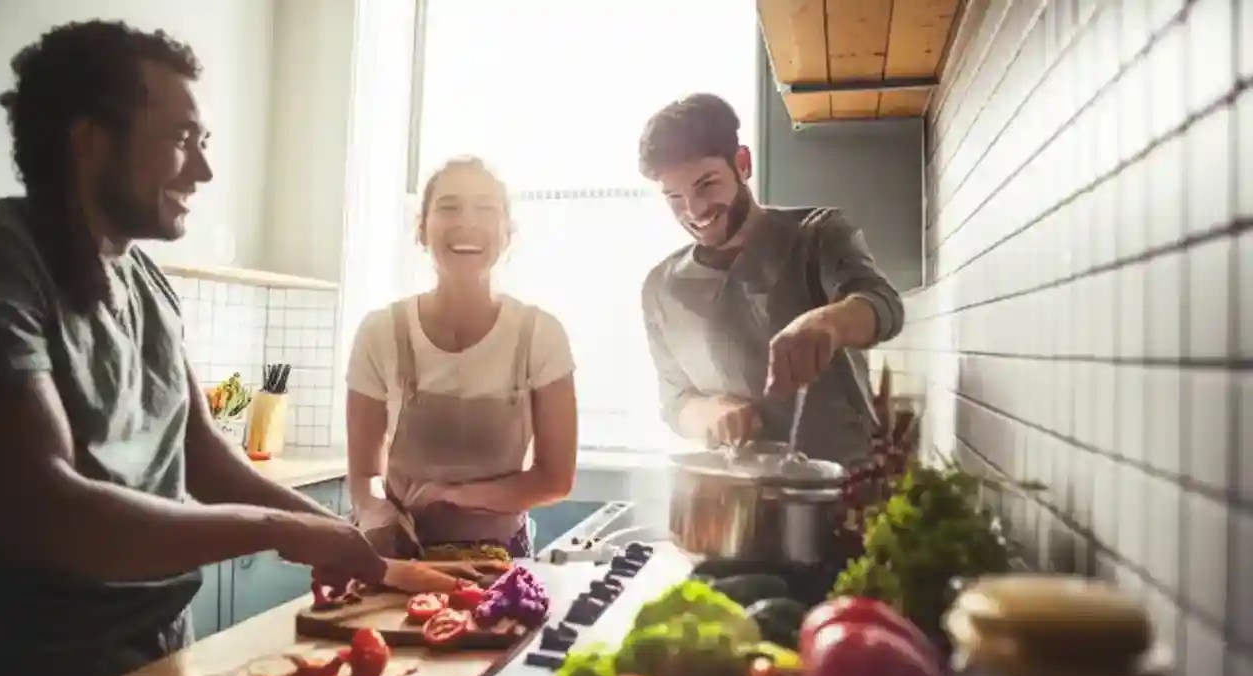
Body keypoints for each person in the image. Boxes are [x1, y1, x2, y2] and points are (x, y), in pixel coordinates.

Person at [0, 21, 456, 676]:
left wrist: (355, 551)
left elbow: (202, 454)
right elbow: (49, 508)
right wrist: (281, 529)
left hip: (161, 651)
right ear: (90, 141)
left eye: (203, 143)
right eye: (181, 139)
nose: (202, 171)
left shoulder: (146, 282)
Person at [638, 93, 905, 467]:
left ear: (742, 164)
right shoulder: (661, 288)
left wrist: (827, 323)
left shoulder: (818, 235)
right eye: (674, 197)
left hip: (841, 490)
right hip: (735, 497)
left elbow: (883, 305)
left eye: (706, 185)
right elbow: (675, 402)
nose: (694, 211)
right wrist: (711, 412)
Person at [345, 155, 578, 560]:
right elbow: (365, 475)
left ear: (509, 231)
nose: (467, 223)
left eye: (486, 208)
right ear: (421, 229)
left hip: (501, 555)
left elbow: (555, 478)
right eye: (449, 207)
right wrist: (375, 513)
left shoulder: (539, 335)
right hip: (399, 553)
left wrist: (456, 498)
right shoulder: (381, 332)